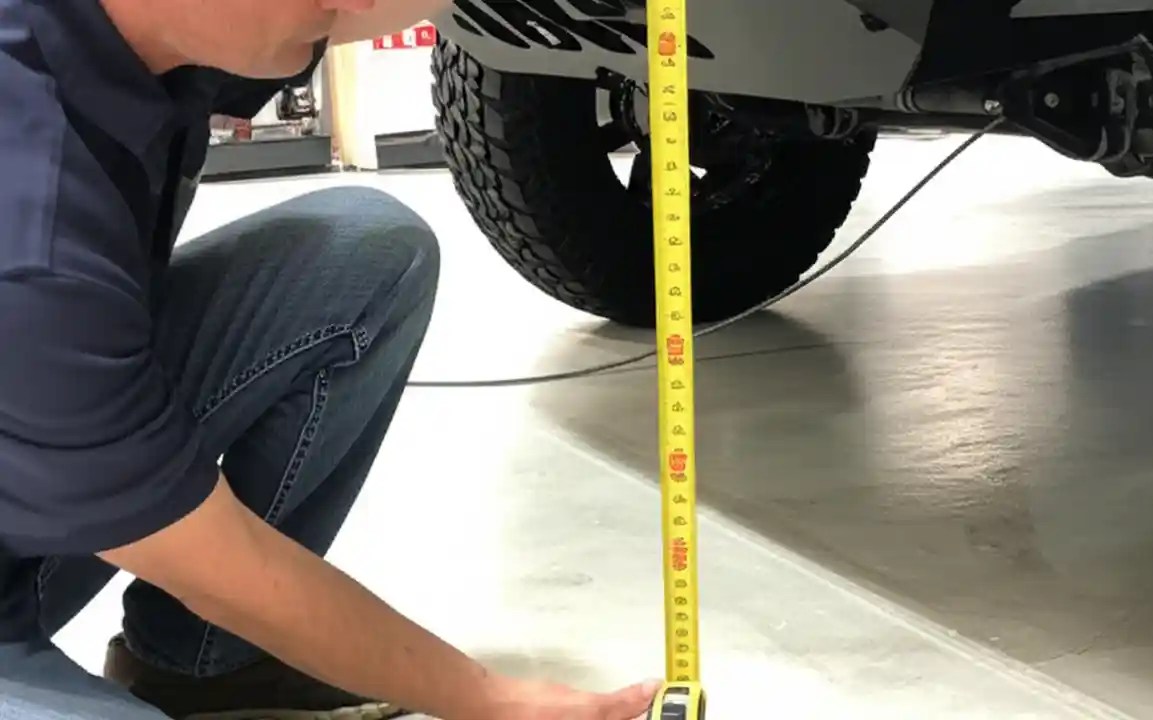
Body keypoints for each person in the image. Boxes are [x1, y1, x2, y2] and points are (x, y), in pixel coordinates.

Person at [0, 1, 659, 718]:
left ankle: (198, 668)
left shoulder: (136, 29)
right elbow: (222, 569)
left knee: (366, 258)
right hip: (44, 472)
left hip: (34, 472)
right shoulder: (30, 223)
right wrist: (495, 701)